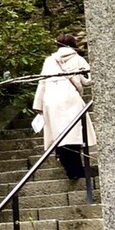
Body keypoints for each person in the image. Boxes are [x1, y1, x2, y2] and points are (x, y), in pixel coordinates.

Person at [33, 34, 95, 180]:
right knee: (73, 135)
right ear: (73, 44)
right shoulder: (78, 58)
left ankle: (70, 170)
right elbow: (87, 81)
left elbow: (42, 82)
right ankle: (77, 171)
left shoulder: (49, 60)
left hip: (51, 100)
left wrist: (38, 105)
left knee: (59, 137)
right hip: (70, 99)